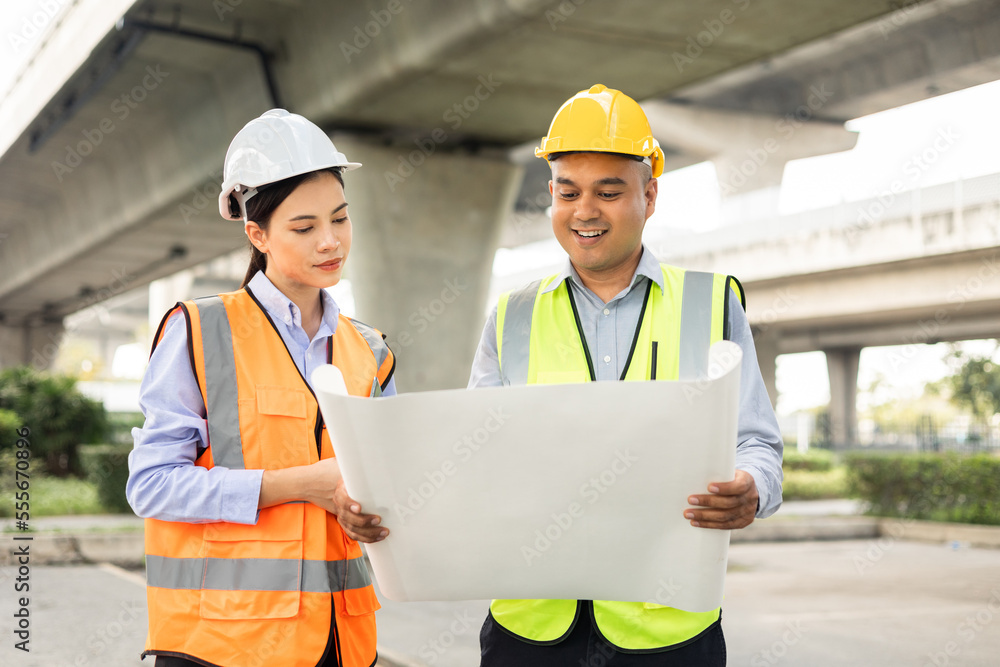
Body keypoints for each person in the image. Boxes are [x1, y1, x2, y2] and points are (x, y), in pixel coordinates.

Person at [467, 85, 784, 666]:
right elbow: (473, 453)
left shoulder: (710, 305)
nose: (584, 211)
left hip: (667, 631)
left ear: (650, 194)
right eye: (568, 193)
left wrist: (752, 488)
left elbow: (756, 441)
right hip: (530, 630)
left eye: (608, 192)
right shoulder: (511, 316)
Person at [127, 109, 394, 667]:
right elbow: (152, 485)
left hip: (341, 643)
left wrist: (362, 512)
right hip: (223, 645)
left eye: (340, 219)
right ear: (258, 234)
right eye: (304, 227)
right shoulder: (201, 331)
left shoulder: (371, 352)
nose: (330, 242)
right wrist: (300, 484)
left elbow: (384, 483)